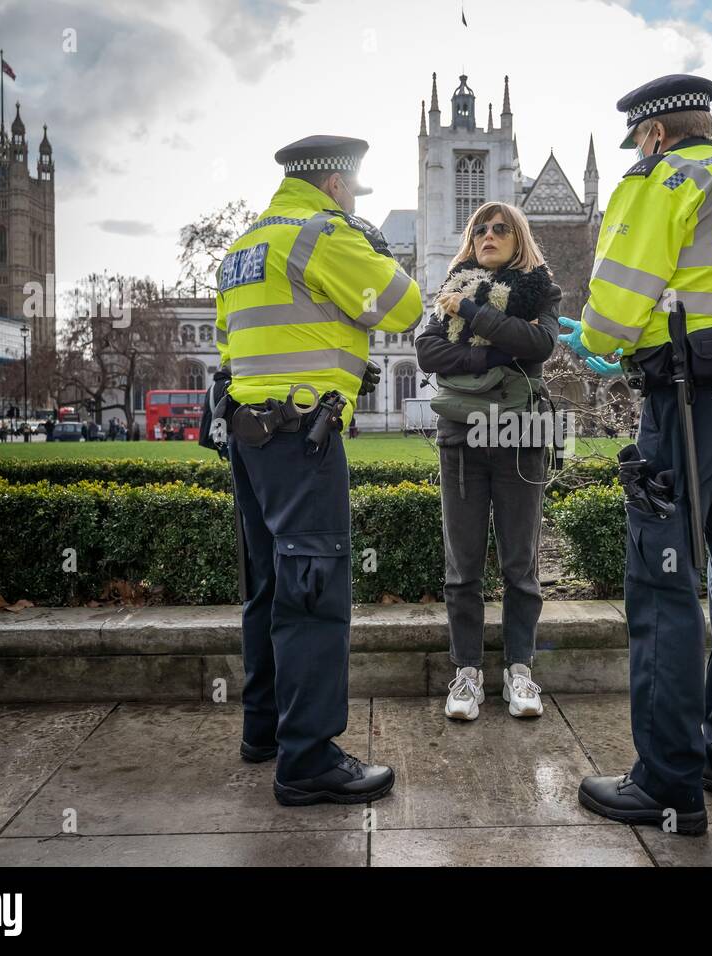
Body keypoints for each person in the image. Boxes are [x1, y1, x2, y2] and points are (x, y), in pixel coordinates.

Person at [560, 74, 712, 834]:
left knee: (662, 580)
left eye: (639, 140)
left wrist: (591, 343)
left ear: (653, 134)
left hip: (689, 400)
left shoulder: (661, 179)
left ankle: (666, 782)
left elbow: (619, 300)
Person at [216, 135, 421, 807]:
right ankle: (307, 759)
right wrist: (377, 252)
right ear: (336, 184)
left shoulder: (244, 245)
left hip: (249, 435)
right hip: (303, 437)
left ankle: (265, 730)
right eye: (353, 190)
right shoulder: (323, 235)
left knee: (270, 584)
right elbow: (404, 308)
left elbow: (230, 342)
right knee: (314, 589)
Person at [416, 201, 560, 722]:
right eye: (481, 228)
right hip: (460, 437)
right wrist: (495, 356)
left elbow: (540, 343)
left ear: (518, 237)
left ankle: (520, 669)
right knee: (463, 566)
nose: (489, 234)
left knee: (520, 564)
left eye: (501, 228)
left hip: (520, 435)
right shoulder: (448, 289)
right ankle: (468, 673)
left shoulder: (541, 290)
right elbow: (428, 354)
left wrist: (474, 316)